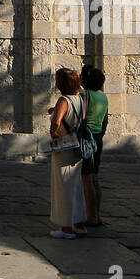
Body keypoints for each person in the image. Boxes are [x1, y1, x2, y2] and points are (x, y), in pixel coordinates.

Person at [48, 67, 88, 239]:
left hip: (64, 148)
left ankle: (67, 228)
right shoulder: (81, 98)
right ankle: (79, 223)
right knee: (76, 186)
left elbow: (56, 123)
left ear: (61, 83)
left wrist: (54, 132)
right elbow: (80, 118)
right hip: (77, 147)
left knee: (63, 188)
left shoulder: (63, 100)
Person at [80, 65, 109, 227]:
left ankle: (90, 216)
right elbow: (105, 120)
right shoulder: (103, 97)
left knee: (86, 178)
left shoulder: (85, 95)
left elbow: (80, 116)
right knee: (95, 178)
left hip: (86, 139)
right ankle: (97, 214)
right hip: (97, 137)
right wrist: (99, 135)